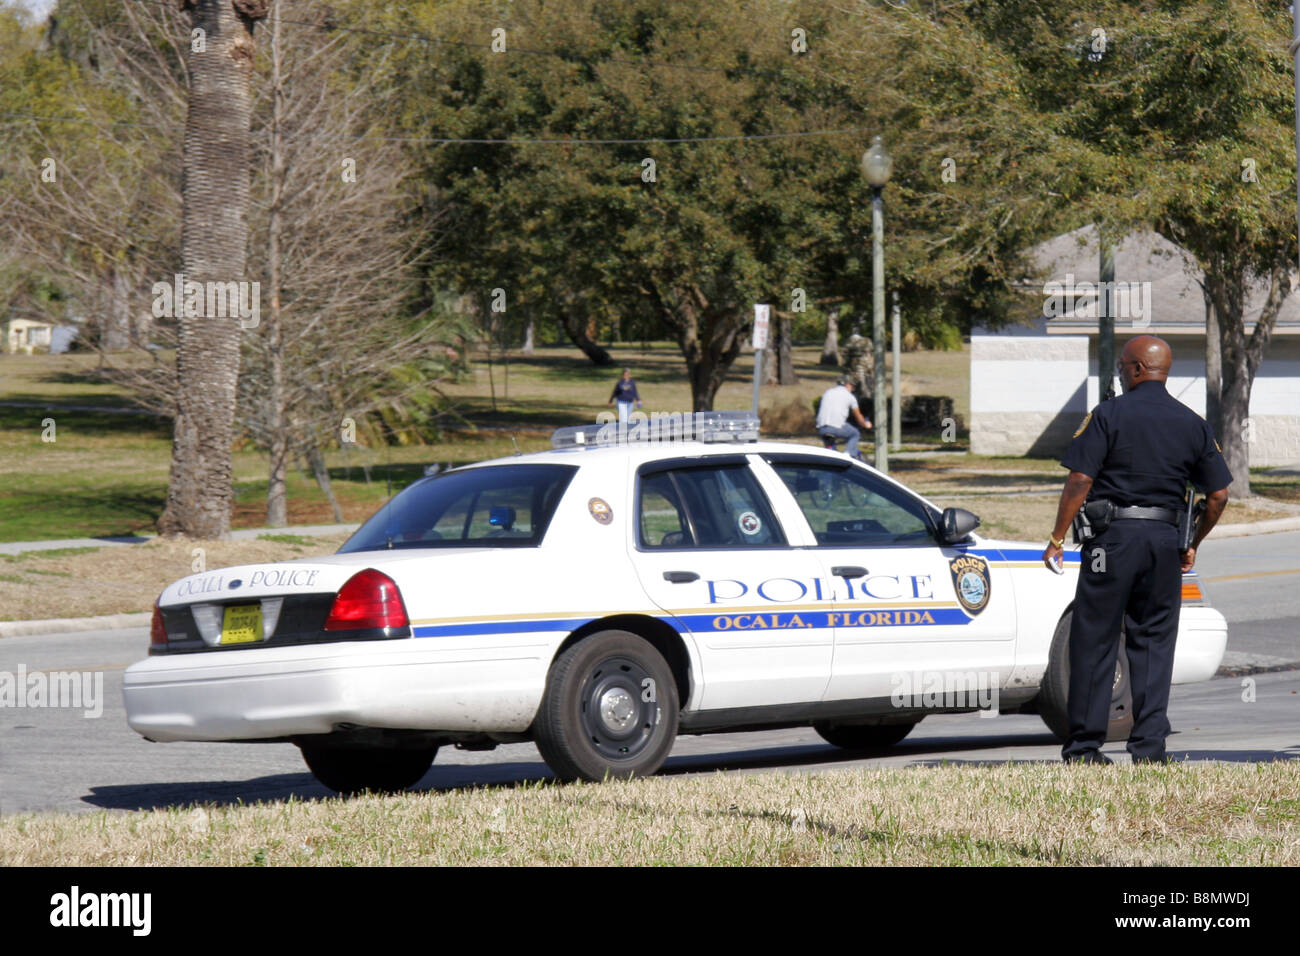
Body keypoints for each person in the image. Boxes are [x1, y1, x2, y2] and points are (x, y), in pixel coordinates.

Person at [1041, 335, 1231, 765]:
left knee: (1095, 640)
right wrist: (1192, 544)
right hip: (1165, 543)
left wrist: (1057, 537)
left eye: (1124, 366)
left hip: (1112, 541)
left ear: (1137, 369)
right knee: (1155, 643)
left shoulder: (1107, 414)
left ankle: (1085, 749)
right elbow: (1217, 494)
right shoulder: (1192, 422)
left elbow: (1079, 480)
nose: (1121, 374)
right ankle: (1149, 748)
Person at [816, 378, 873, 461]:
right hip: (836, 426)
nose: (852, 389)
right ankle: (848, 455)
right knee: (855, 434)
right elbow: (858, 417)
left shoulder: (828, 392)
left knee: (831, 456)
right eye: (852, 387)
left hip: (822, 427)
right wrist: (866, 424)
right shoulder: (850, 397)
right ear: (848, 385)